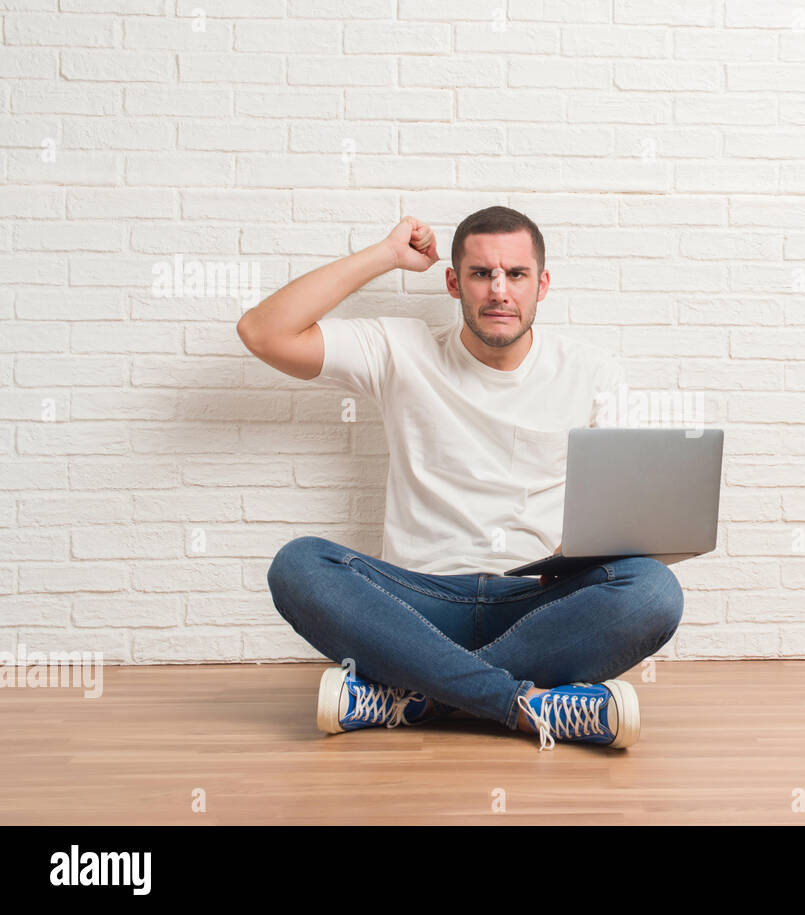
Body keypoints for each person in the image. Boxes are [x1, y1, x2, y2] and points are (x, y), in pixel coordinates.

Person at [236, 206, 685, 751]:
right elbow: (262, 331)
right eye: (481, 274)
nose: (499, 291)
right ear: (454, 282)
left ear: (542, 285)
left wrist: (582, 553)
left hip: (535, 603)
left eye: (516, 274)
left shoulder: (592, 370)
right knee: (299, 565)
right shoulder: (400, 349)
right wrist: (386, 256)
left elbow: (622, 509)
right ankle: (523, 706)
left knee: (654, 591)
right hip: (416, 607)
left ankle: (412, 698)